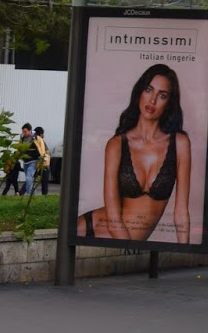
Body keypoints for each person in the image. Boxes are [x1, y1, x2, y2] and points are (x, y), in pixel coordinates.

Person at [76, 63, 192, 243]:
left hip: (123, 243)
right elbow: (113, 216)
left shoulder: (179, 144)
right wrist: (128, 249)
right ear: (139, 91)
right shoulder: (117, 144)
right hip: (91, 229)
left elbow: (181, 212)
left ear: (169, 103)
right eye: (148, 90)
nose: (152, 101)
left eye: (162, 95)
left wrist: (186, 252)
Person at [0, 123, 32, 196]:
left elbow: (8, 167)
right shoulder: (16, 162)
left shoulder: (11, 160)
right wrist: (24, 170)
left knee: (7, 187)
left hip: (9, 177)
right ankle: (16, 194)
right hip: (14, 178)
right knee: (15, 187)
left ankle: (4, 195)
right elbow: (19, 168)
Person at [31, 126, 50, 196]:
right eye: (43, 133)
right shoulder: (41, 142)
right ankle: (44, 196)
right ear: (41, 134)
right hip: (42, 165)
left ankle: (20, 193)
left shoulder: (33, 141)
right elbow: (45, 153)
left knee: (32, 180)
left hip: (38, 164)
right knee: (44, 183)